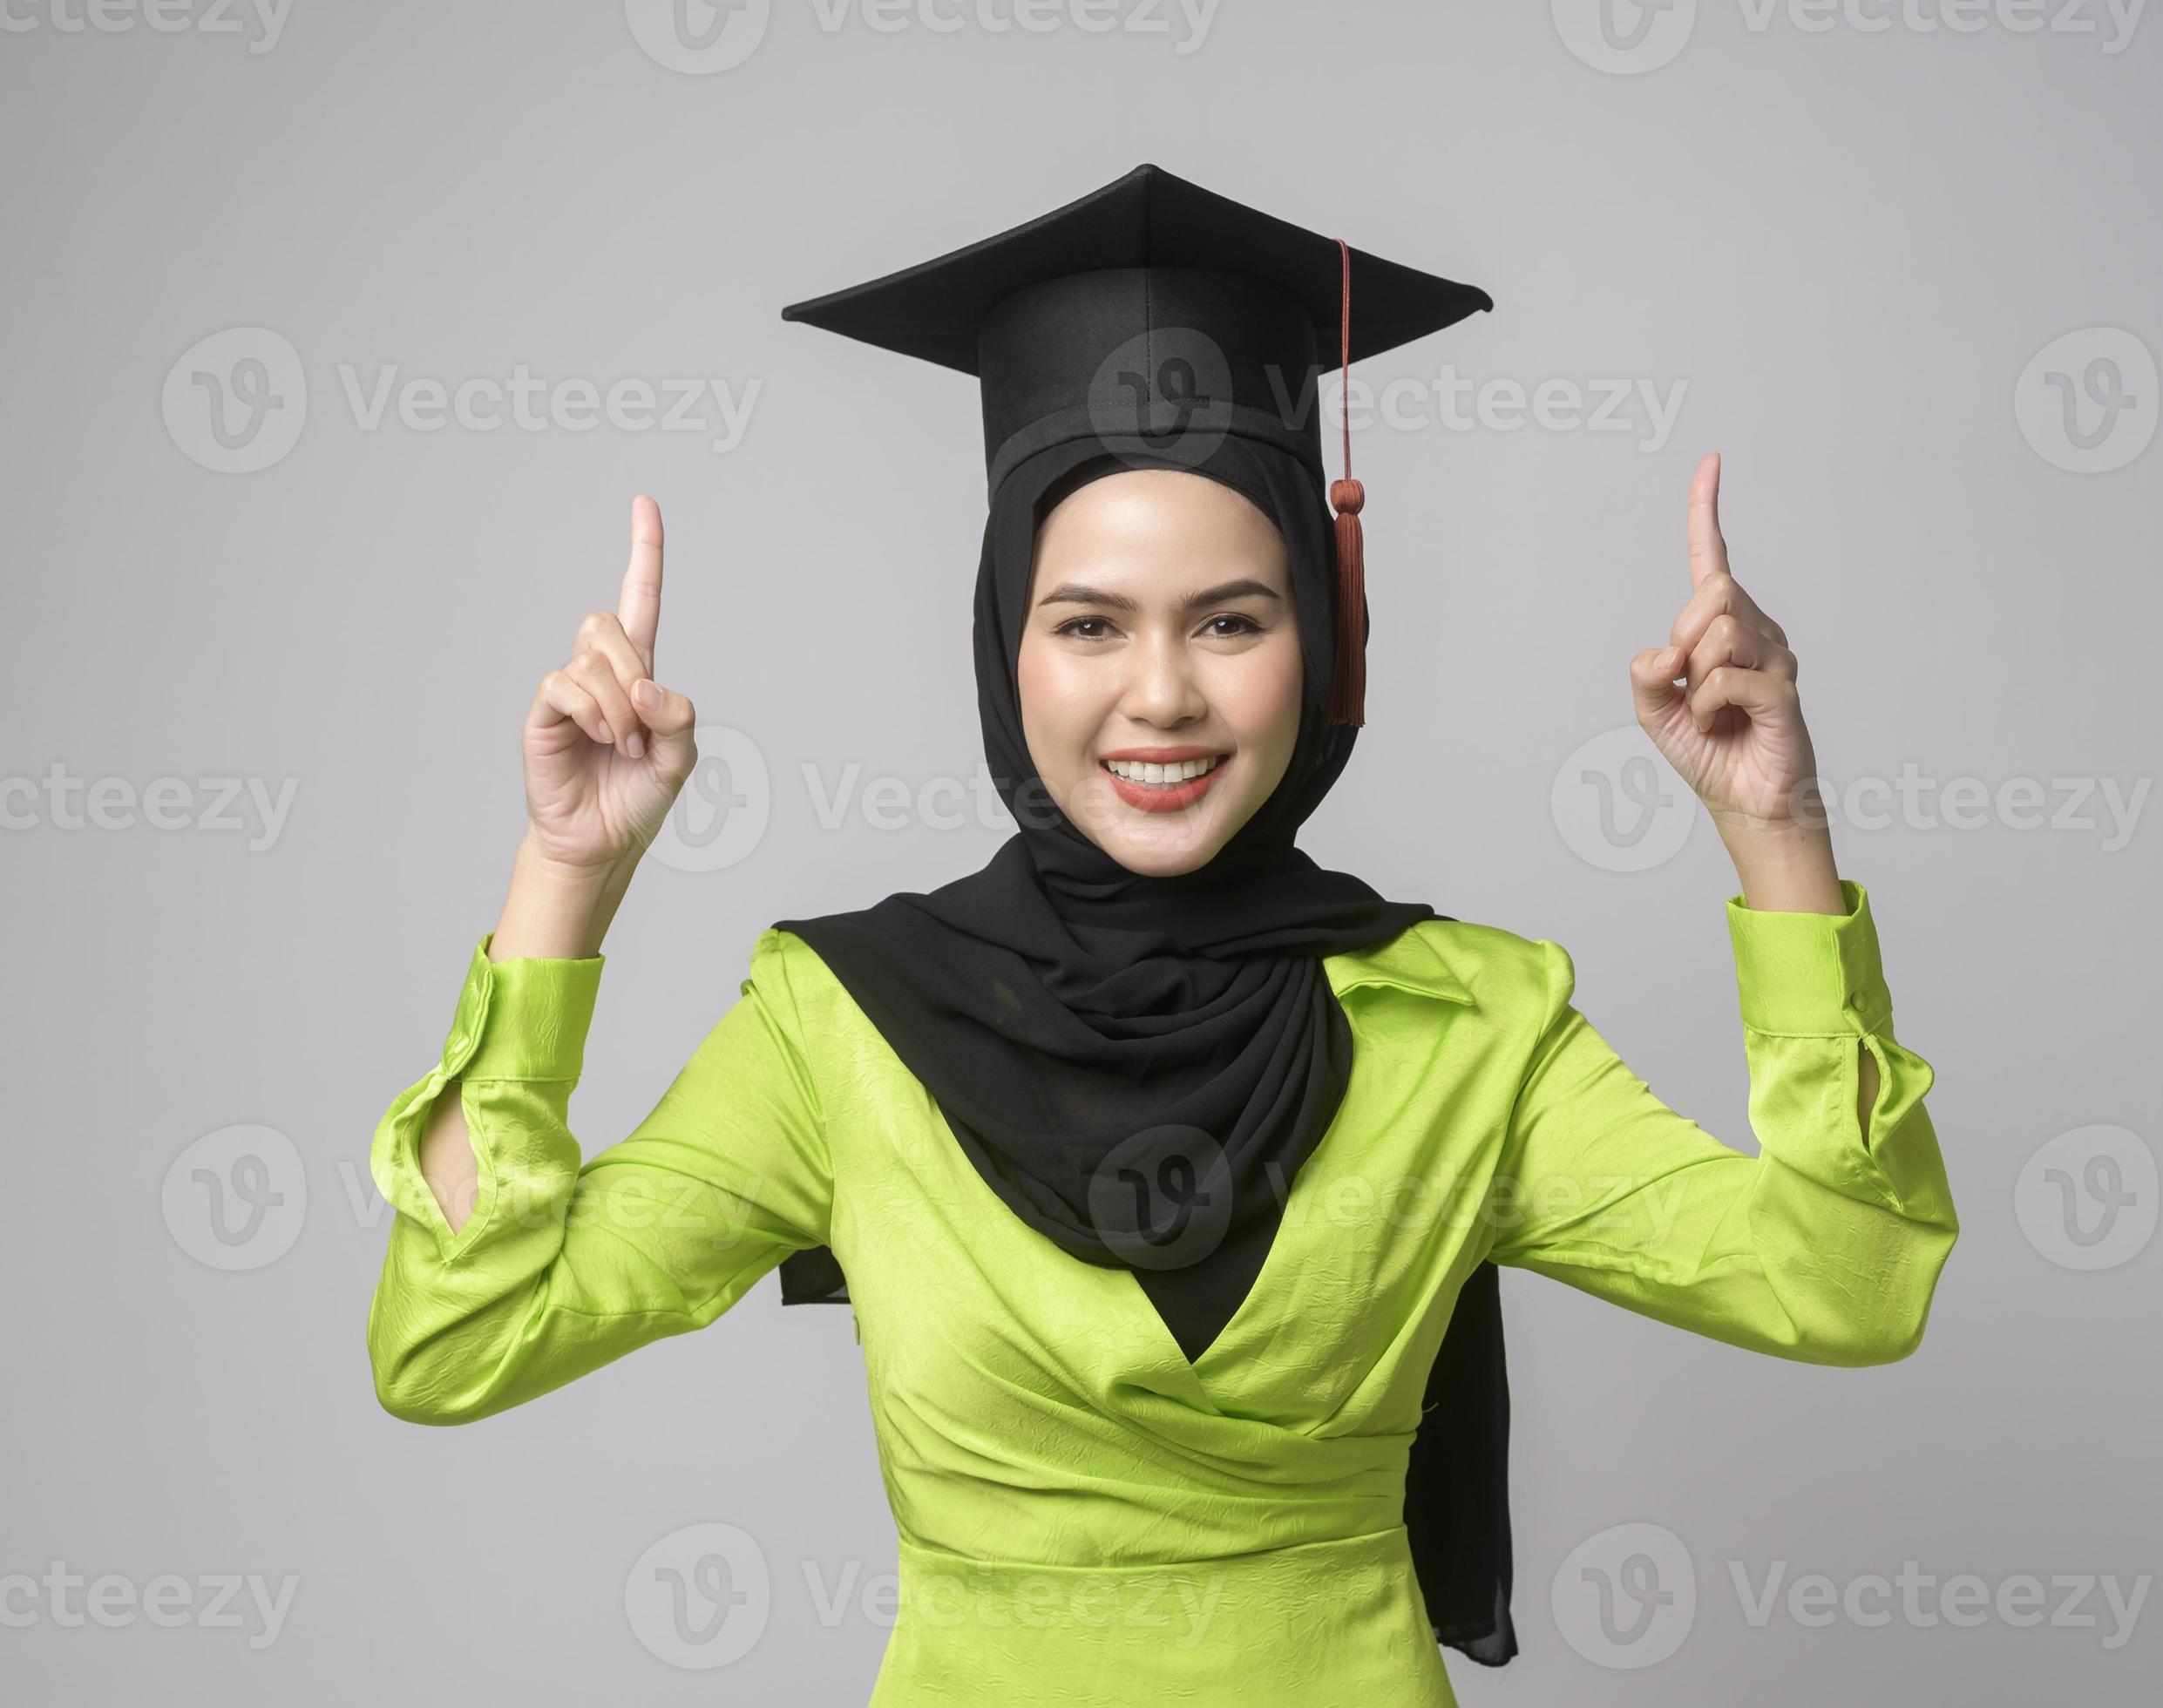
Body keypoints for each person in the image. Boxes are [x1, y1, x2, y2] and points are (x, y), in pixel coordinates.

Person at [365, 165, 1959, 1707]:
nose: (1162, 695)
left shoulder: (1467, 1021)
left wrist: (1778, 833)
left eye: (1232, 619)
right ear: (1006, 644)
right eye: (1087, 625)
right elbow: (459, 1339)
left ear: (1316, 635)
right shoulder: (838, 1027)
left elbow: (1848, 1284)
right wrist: (566, 872)